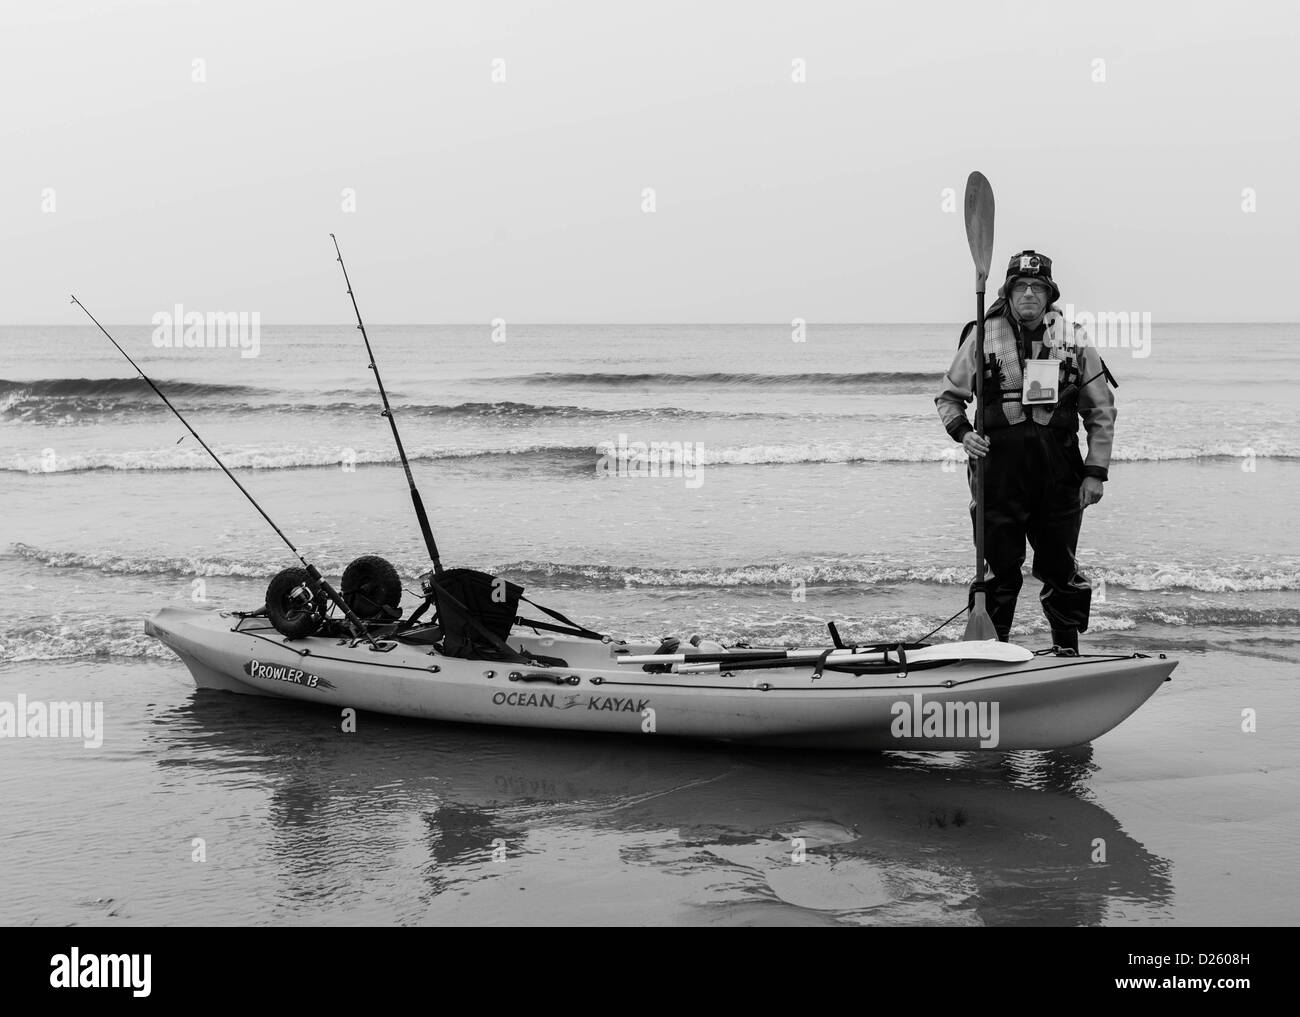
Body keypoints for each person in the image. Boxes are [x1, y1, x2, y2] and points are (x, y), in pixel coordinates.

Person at [935, 250, 1116, 652]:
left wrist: (1095, 471)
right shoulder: (982, 335)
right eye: (1021, 286)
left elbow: (1100, 411)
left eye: (1038, 287)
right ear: (1009, 292)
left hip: (1060, 477)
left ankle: (1066, 650)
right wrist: (964, 434)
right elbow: (948, 398)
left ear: (1050, 295)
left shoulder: (1075, 339)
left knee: (1060, 570)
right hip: (998, 475)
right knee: (1000, 574)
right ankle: (991, 653)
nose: (1029, 293)